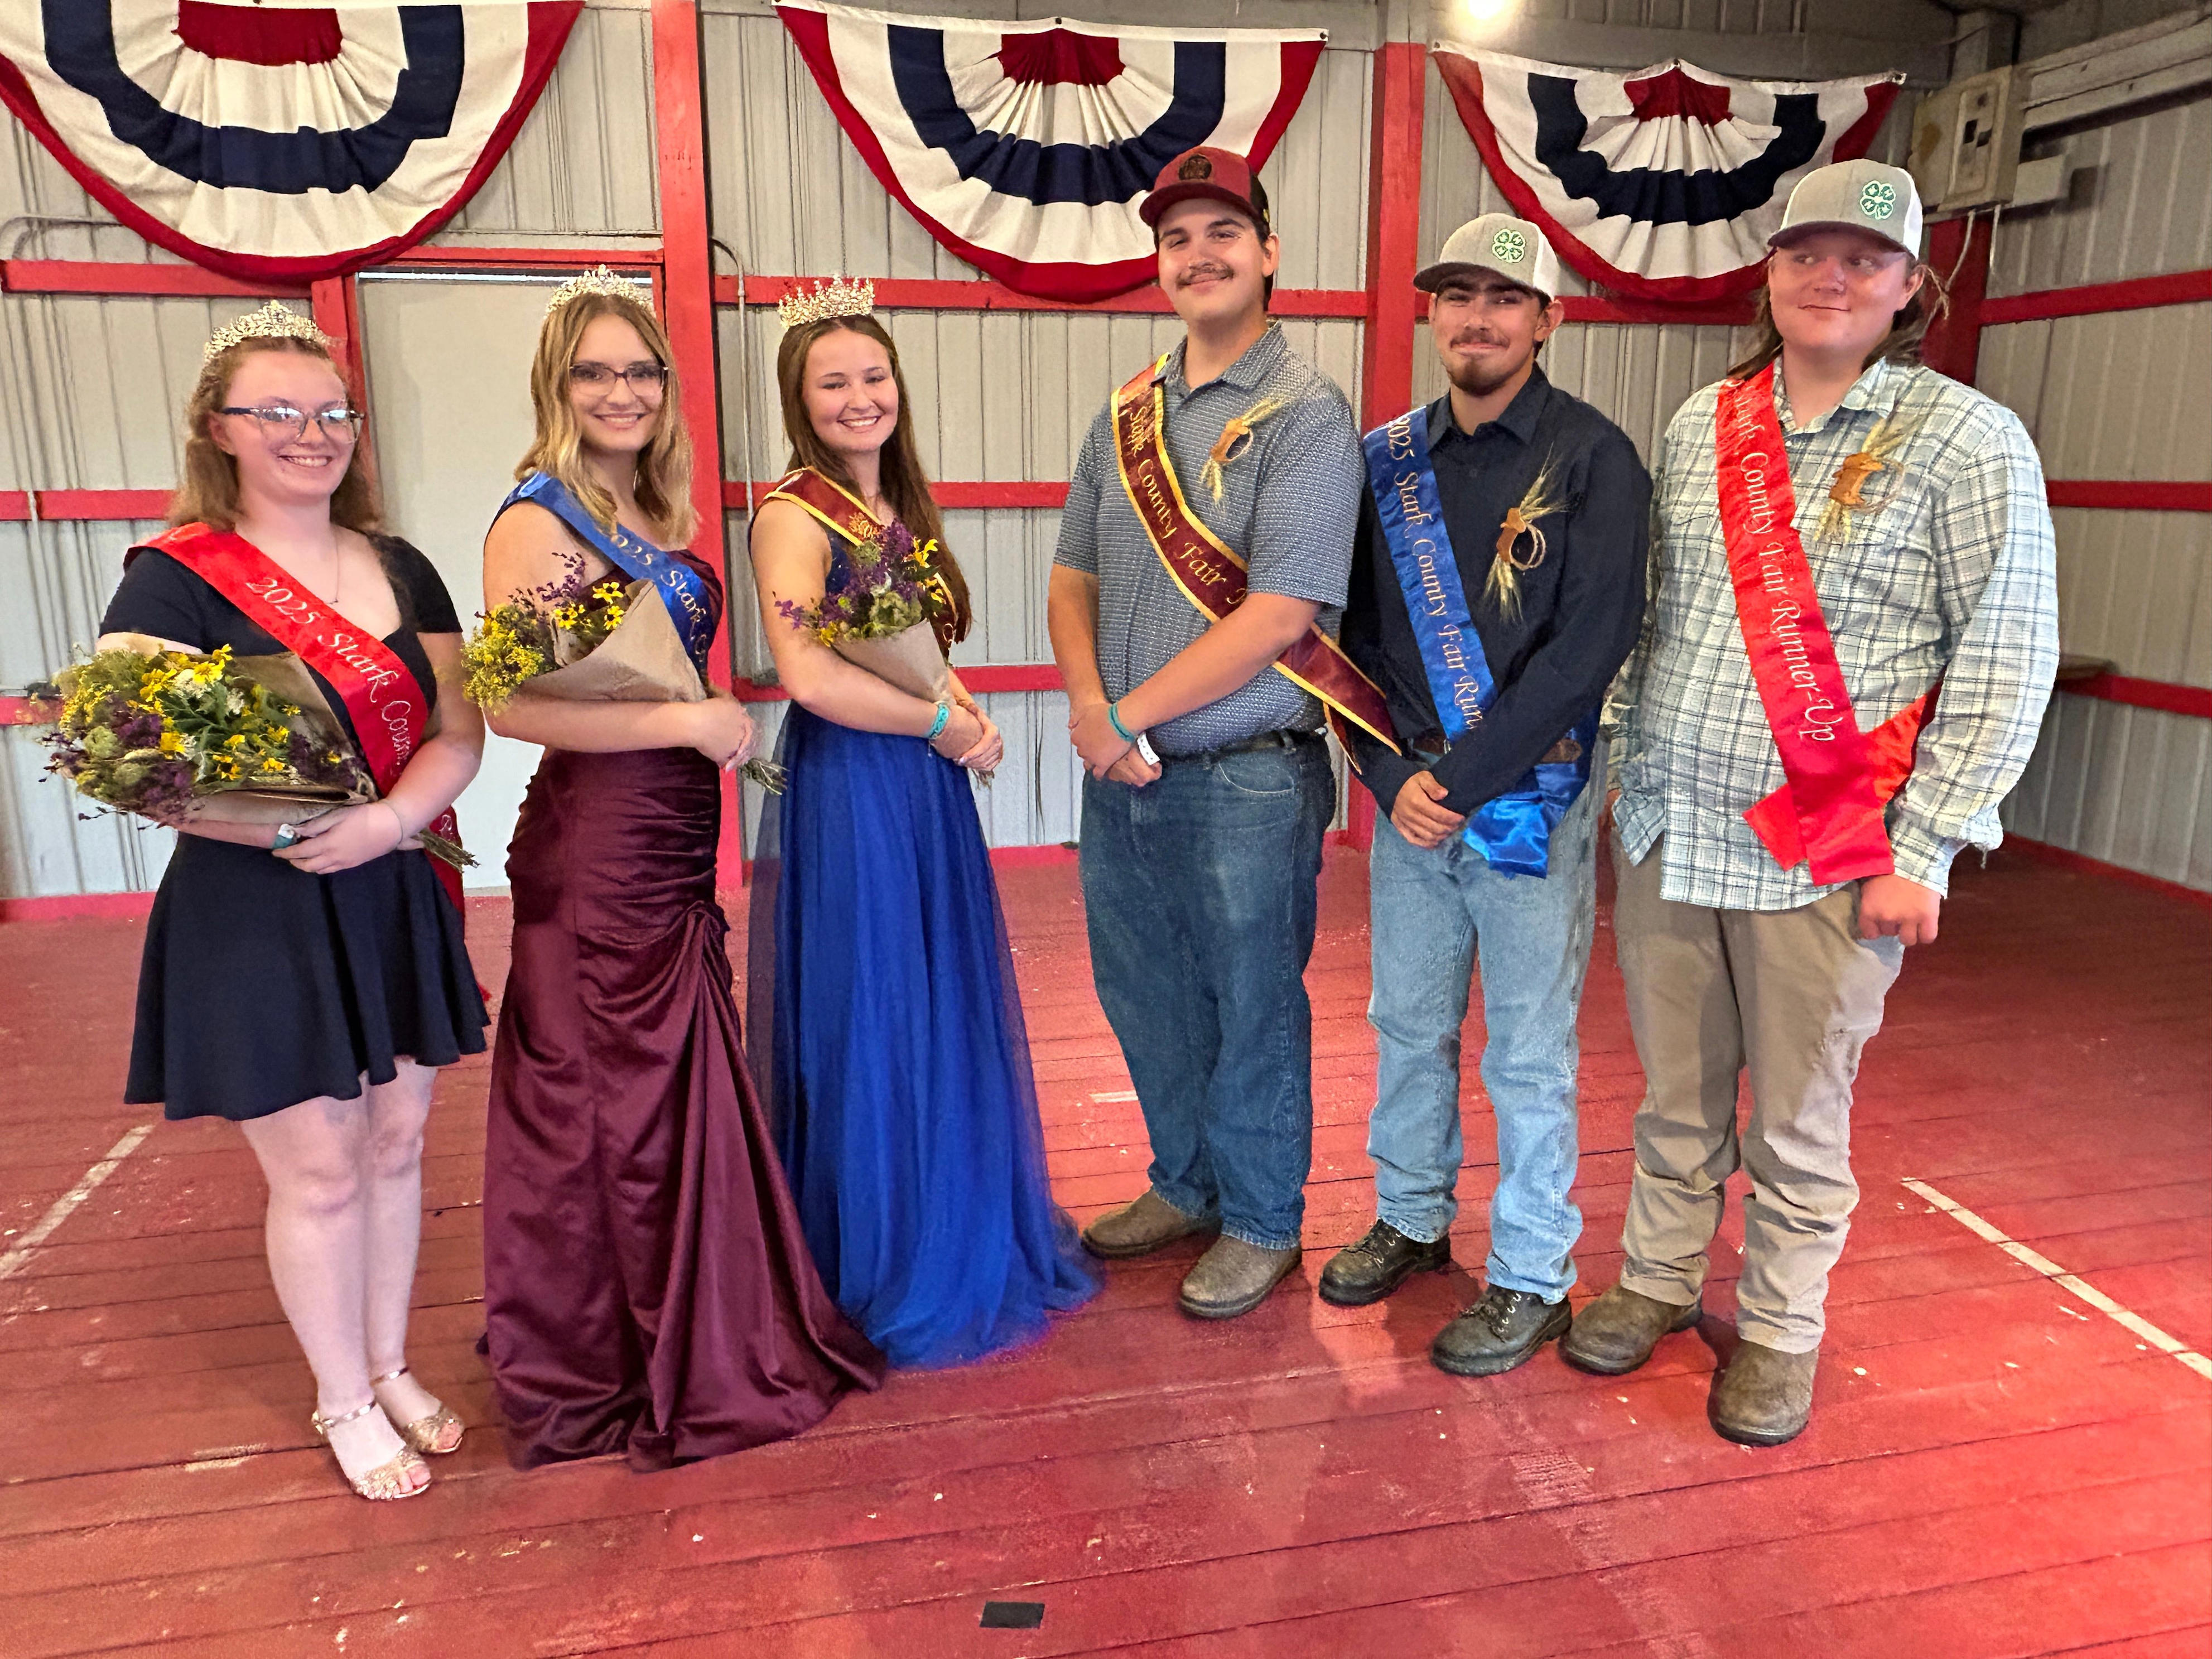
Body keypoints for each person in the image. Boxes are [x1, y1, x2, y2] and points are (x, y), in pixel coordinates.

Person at [1572, 161, 2059, 1444]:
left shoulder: (1965, 439)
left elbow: (2007, 652)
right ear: (1771, 274)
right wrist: (1623, 757)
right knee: (1674, 1092)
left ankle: (1781, 1326)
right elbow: (1654, 611)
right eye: (1807, 254)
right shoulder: (1704, 423)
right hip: (1677, 824)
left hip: (1831, 853)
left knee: (1798, 1114)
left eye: (1863, 258)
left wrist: (1930, 845)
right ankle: (1661, 1277)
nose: (1830, 277)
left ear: (1909, 287)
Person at [479, 270, 881, 1468]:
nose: (622, 392)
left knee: (669, 1092)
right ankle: (616, 1352)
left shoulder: (644, 509)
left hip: (666, 845)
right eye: (596, 372)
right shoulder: (536, 517)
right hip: (597, 849)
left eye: (641, 372)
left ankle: (699, 1319)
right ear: (559, 386)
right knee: (617, 1107)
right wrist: (688, 726)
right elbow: (510, 704)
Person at [97, 302, 487, 1500]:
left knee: (398, 1138)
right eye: (278, 411)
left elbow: (459, 728)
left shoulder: (401, 562)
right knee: (318, 1168)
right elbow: (128, 756)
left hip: (392, 879)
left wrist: (385, 820)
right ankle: (341, 1395)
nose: (311, 433)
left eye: (331, 412)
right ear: (219, 429)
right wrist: (286, 826)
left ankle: (387, 1359)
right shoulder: (173, 578)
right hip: (258, 907)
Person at [1048, 147, 1394, 1320]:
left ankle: (1260, 1217)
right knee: (1142, 989)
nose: (1198, 256)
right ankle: (1185, 1181)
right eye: (1176, 239)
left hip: (1247, 773)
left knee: (1253, 1000)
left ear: (1269, 253)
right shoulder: (1126, 414)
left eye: (1221, 234)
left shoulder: (1306, 412)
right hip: (1126, 767)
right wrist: (1096, 716)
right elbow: (1071, 575)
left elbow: (1282, 616)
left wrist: (1123, 715)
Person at [746, 279, 1097, 1368]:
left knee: (931, 995)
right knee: (878, 1003)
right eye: (833, 382)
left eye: (874, 375)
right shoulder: (792, 514)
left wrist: (951, 710)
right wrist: (942, 721)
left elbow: (908, 650)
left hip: (917, 778)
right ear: (800, 404)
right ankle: (884, 1248)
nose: (860, 397)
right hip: (856, 783)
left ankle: (950, 1210)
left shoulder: (895, 506)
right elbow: (806, 675)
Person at [1328, 215, 1650, 1377]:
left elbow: (1589, 645)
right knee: (1406, 1023)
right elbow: (1348, 636)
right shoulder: (1385, 460)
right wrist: (1389, 774)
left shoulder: (1598, 459)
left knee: (1525, 1048)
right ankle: (1413, 1216)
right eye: (1457, 294)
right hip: (1411, 796)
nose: (1478, 316)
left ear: (1546, 320)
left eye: (1504, 298)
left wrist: (1456, 782)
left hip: (1532, 805)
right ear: (1431, 313)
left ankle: (1532, 1272)